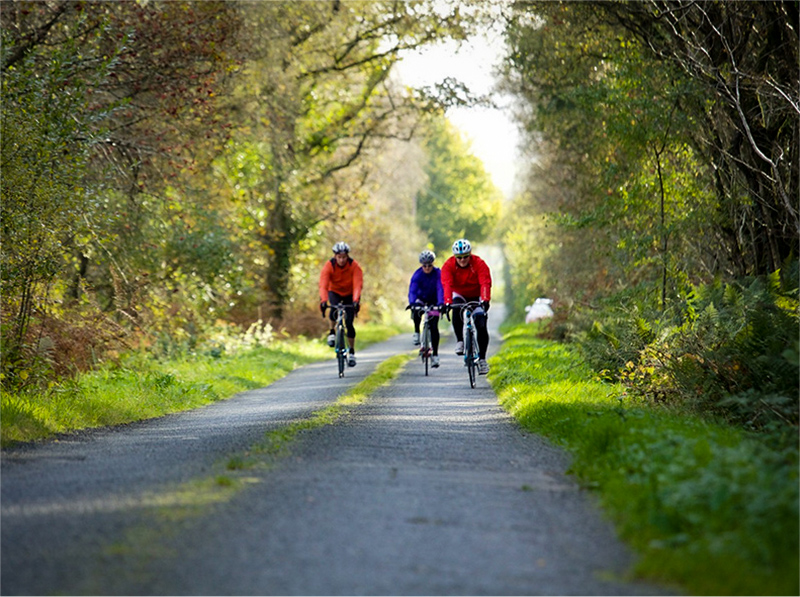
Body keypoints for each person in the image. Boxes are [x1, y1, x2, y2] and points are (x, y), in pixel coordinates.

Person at [441, 238, 492, 375]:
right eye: (459, 257)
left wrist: (485, 299)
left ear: (470, 255)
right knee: (456, 308)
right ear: (455, 257)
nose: (462, 260)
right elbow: (447, 284)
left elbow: (485, 282)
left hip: (476, 294)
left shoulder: (479, 263)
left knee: (481, 323)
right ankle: (460, 341)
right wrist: (446, 302)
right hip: (460, 294)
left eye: (465, 257)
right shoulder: (448, 265)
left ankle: (482, 359)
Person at [319, 241, 363, 367]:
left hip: (350, 293)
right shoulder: (329, 266)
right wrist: (323, 300)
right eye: (339, 257)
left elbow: (357, 285)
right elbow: (323, 285)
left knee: (349, 323)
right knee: (333, 311)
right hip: (335, 291)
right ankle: (332, 332)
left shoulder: (354, 266)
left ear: (347, 256)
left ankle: (352, 352)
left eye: (344, 257)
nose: (342, 260)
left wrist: (355, 300)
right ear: (335, 256)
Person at [407, 249, 444, 368]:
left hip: (434, 301)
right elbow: (412, 290)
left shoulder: (438, 273)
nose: (427, 268)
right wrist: (412, 303)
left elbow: (440, 288)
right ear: (421, 265)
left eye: (429, 265)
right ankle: (417, 331)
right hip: (421, 299)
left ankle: (435, 355)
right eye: (424, 265)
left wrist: (441, 303)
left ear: (433, 264)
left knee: (434, 326)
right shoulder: (417, 274)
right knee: (416, 311)